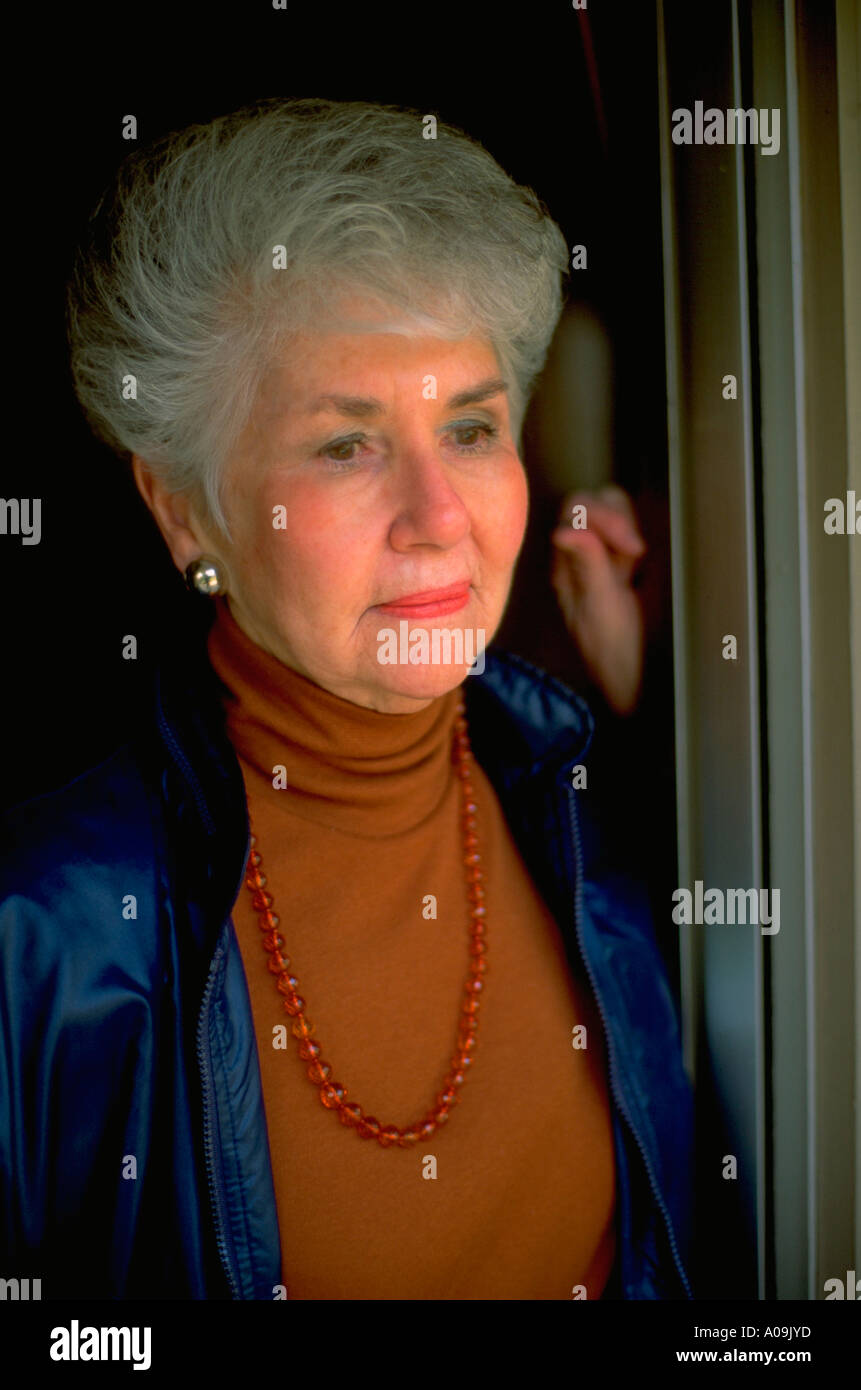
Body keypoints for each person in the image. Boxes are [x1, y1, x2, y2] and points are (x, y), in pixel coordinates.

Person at [0, 97, 693, 1300]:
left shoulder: (593, 810)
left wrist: (665, 730)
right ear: (185, 512)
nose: (439, 518)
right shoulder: (42, 932)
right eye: (346, 446)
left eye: (471, 428)